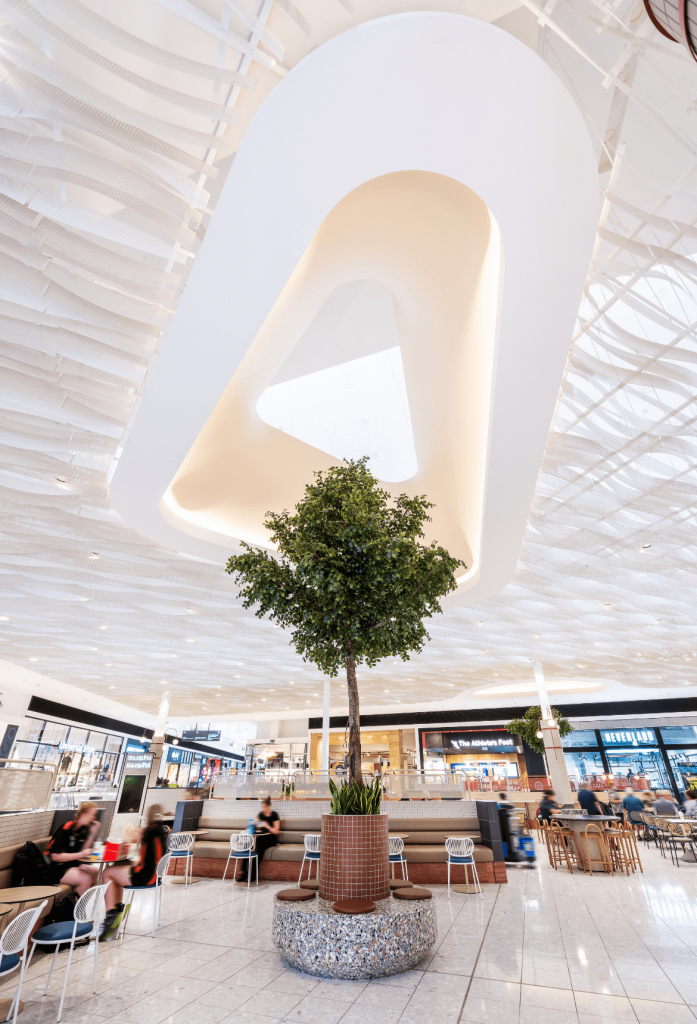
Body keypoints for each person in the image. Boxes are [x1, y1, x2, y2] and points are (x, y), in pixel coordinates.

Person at [99, 804, 168, 939]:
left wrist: (131, 834)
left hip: (145, 875)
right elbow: (150, 856)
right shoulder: (162, 831)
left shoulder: (148, 831)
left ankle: (110, 916)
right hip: (154, 874)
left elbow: (130, 839)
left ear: (148, 816)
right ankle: (117, 909)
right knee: (117, 867)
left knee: (107, 873)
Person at [46, 801, 101, 894]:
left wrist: (92, 833)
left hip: (72, 865)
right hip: (56, 869)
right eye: (92, 814)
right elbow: (54, 856)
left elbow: (83, 852)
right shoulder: (66, 828)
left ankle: (83, 901)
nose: (93, 818)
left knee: (98, 873)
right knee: (86, 879)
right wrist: (81, 854)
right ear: (83, 814)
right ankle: (75, 903)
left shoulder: (84, 829)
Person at [239, 796, 280, 883]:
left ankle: (252, 875)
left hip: (271, 838)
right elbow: (256, 822)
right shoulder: (261, 814)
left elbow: (276, 831)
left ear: (269, 806)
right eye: (262, 807)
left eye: (265, 807)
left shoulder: (274, 815)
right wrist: (254, 823)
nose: (263, 809)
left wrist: (267, 826)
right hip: (261, 837)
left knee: (259, 850)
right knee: (247, 847)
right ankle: (244, 873)